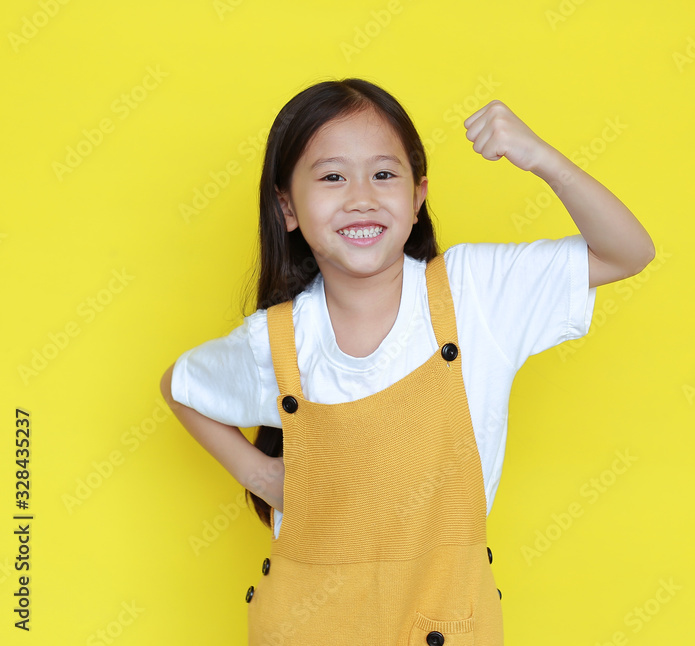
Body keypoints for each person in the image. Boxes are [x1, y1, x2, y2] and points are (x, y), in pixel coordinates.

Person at [159, 77, 655, 645]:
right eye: (331, 176)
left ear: (418, 198)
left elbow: (628, 251)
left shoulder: (476, 295)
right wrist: (261, 474)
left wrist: (538, 158)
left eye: (384, 174)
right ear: (287, 207)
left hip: (445, 623)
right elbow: (181, 385)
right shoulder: (278, 339)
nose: (362, 195)